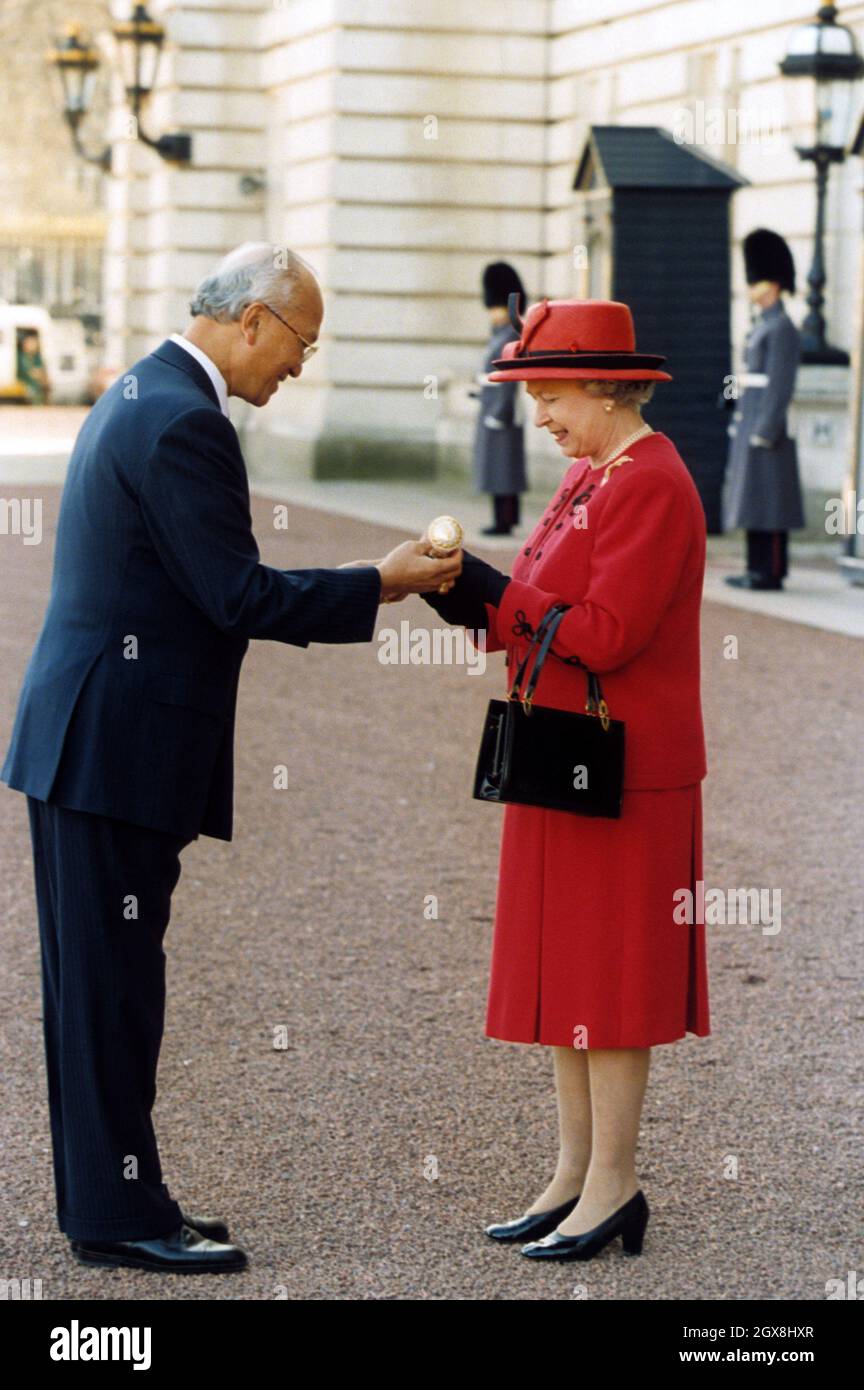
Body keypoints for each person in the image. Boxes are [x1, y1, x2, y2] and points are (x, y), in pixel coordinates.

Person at [0, 242, 460, 1276]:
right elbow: (236, 596)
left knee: (96, 991)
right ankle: (120, 1215)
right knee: (113, 993)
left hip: (84, 735)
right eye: (301, 342)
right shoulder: (185, 419)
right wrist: (375, 580)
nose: (301, 366)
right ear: (252, 319)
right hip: (113, 744)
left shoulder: (139, 389)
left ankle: (114, 1201)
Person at [421, 298, 710, 1263]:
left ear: (604, 388)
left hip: (625, 768)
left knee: (614, 977)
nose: (538, 415)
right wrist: (470, 588)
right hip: (569, 751)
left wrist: (499, 593)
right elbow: (550, 603)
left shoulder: (652, 482)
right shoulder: (597, 472)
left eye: (549, 396)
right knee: (569, 967)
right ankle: (575, 1173)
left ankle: (616, 1183)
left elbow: (606, 634)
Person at [723, 228, 805, 590]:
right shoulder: (762, 327)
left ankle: (770, 569)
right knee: (754, 500)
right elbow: (747, 375)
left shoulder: (783, 328)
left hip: (766, 427)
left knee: (770, 503)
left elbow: (781, 383)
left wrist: (766, 429)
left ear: (771, 284)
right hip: (750, 420)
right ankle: (756, 567)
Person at [472, 262, 528, 536]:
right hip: (491, 405)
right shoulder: (500, 334)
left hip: (501, 411)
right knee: (497, 467)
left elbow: (509, 377)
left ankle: (504, 521)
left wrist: (500, 412)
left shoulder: (511, 335)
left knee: (503, 469)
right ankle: (504, 518)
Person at [17, 330, 50, 404]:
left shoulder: (36, 357)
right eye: (30, 342)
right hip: (23, 386)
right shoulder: (20, 356)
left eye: (34, 342)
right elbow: (23, 371)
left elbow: (40, 370)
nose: (33, 345)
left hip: (35, 387)